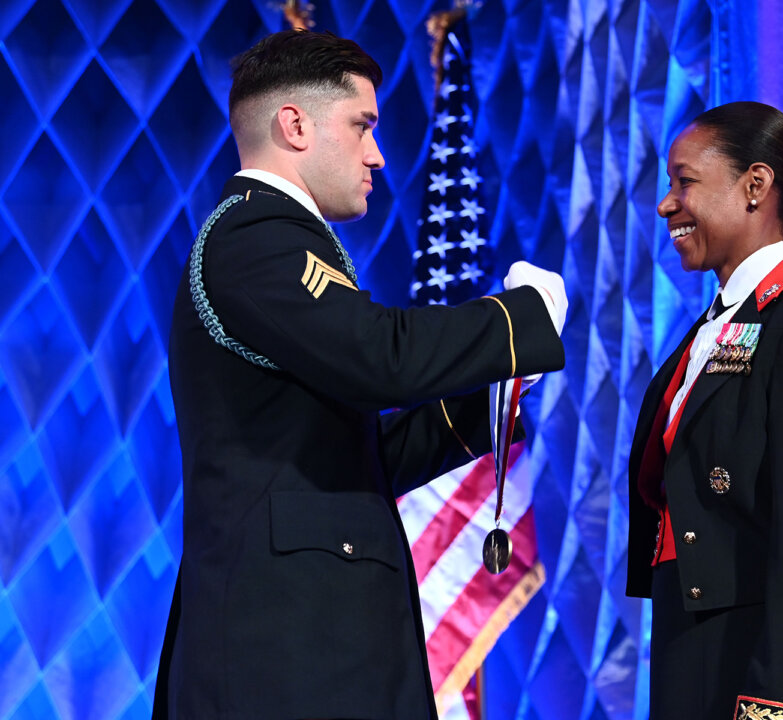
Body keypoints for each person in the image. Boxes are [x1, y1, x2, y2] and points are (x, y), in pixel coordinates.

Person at [153, 30, 567, 719]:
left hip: (310, 641)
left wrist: (492, 398)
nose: (377, 153)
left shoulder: (271, 238)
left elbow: (353, 454)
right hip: (287, 650)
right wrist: (515, 322)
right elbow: (380, 357)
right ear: (295, 126)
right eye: (361, 125)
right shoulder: (256, 236)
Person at [626, 101, 783, 719]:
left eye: (685, 181)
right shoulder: (709, 332)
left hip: (772, 662)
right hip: (694, 646)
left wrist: (778, 702)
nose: (666, 205)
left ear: (755, 185)